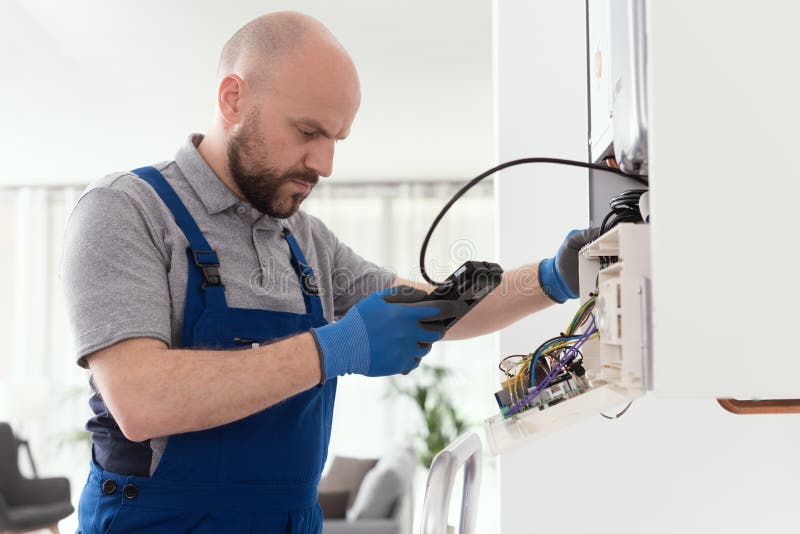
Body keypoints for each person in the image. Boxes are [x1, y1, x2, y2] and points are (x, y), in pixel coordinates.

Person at [61, 11, 597, 533]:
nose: (324, 164)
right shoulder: (126, 211)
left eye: (336, 139)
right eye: (307, 131)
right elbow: (140, 399)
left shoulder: (305, 241)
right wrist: (332, 349)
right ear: (233, 98)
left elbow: (436, 307)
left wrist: (552, 277)